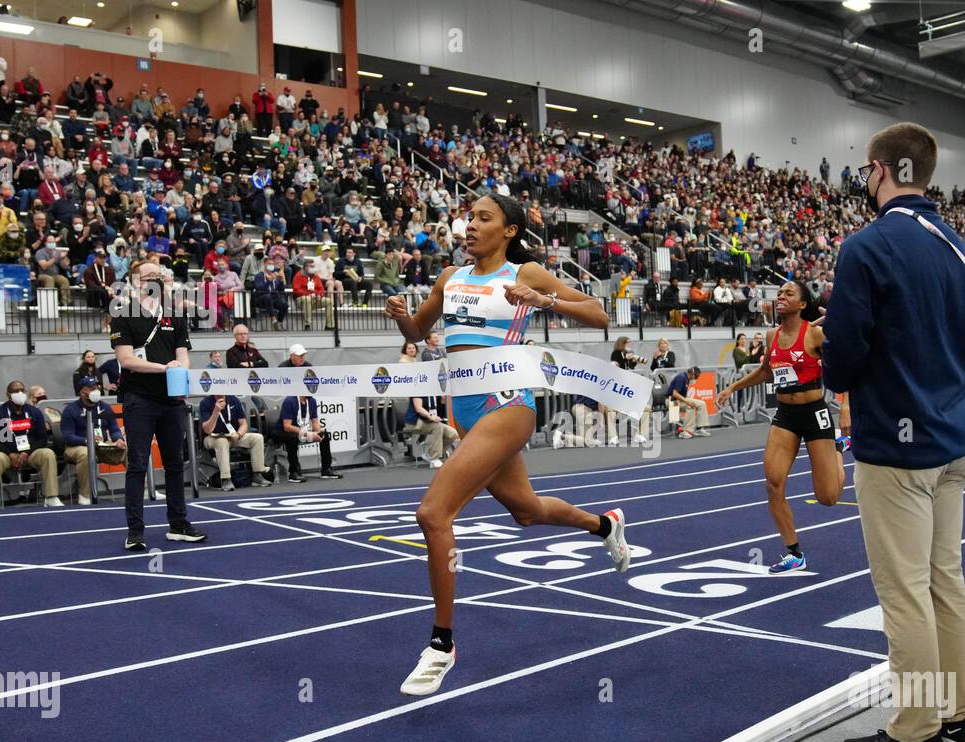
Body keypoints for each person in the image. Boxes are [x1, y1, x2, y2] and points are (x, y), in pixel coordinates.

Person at [385, 192, 628, 697]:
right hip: (465, 411)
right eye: (468, 217)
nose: (469, 225)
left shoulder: (526, 273)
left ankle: (441, 643)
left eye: (483, 218)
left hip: (507, 404)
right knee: (526, 510)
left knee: (433, 514)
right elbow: (418, 330)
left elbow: (601, 315)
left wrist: (545, 302)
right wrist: (401, 318)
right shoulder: (450, 278)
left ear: (509, 231)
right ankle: (604, 524)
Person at [823, 122, 965, 742]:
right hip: (955, 438)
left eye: (866, 171)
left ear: (882, 170)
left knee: (906, 592)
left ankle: (917, 734)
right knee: (945, 582)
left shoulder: (866, 247)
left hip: (899, 445)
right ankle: (957, 717)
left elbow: (842, 361)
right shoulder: (956, 245)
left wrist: (825, 352)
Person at [716, 281, 845, 572]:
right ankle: (794, 553)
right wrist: (732, 387)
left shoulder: (814, 335)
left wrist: (846, 405)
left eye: (789, 294)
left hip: (814, 414)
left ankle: (837, 449)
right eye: (779, 294)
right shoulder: (772, 335)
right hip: (785, 414)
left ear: (802, 304)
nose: (781, 297)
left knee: (827, 497)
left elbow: (844, 365)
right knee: (773, 483)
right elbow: (765, 372)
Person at [109, 265, 207, 551]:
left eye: (162, 277)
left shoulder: (174, 315)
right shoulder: (124, 315)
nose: (160, 281)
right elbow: (126, 360)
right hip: (139, 398)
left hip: (171, 401)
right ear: (138, 282)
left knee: (175, 462)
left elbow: (183, 357)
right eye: (153, 277)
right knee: (137, 464)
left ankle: (178, 523)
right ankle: (135, 530)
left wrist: (178, 372)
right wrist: (165, 368)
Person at [0, 379, 63, 511]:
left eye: (21, 390)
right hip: (6, 454)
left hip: (29, 453)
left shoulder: (34, 412)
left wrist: (26, 453)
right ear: (8, 394)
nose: (19, 393)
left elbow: (42, 438)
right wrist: (10, 454)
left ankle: (51, 496)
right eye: (15, 391)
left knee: (48, 454)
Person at [60, 375, 126, 505]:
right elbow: (68, 436)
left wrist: (118, 439)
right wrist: (87, 440)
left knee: (128, 449)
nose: (95, 390)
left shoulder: (105, 407)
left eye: (96, 387)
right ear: (81, 392)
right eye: (90, 388)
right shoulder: (71, 409)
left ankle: (145, 489)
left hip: (102, 445)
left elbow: (114, 429)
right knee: (86, 454)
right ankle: (85, 495)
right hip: (77, 446)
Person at [198, 392, 271, 490]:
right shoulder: (206, 402)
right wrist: (216, 411)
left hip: (232, 436)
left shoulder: (233, 400)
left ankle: (257, 475)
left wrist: (239, 434)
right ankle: (226, 479)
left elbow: (243, 424)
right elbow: (207, 429)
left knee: (257, 438)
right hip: (212, 437)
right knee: (222, 441)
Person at [273, 390, 339, 482]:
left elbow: (315, 422)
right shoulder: (289, 401)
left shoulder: (312, 401)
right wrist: (307, 434)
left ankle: (326, 470)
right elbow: (287, 426)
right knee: (293, 438)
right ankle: (293, 473)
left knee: (325, 435)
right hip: (281, 432)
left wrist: (318, 433)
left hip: (300, 432)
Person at [664, 365, 711, 439]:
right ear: (691, 374)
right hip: (671, 401)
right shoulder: (681, 377)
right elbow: (674, 393)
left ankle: (699, 429)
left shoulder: (687, 379)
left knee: (702, 404)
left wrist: (686, 401)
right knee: (690, 405)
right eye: (695, 377)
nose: (696, 379)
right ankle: (686, 431)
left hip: (678, 400)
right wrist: (687, 401)